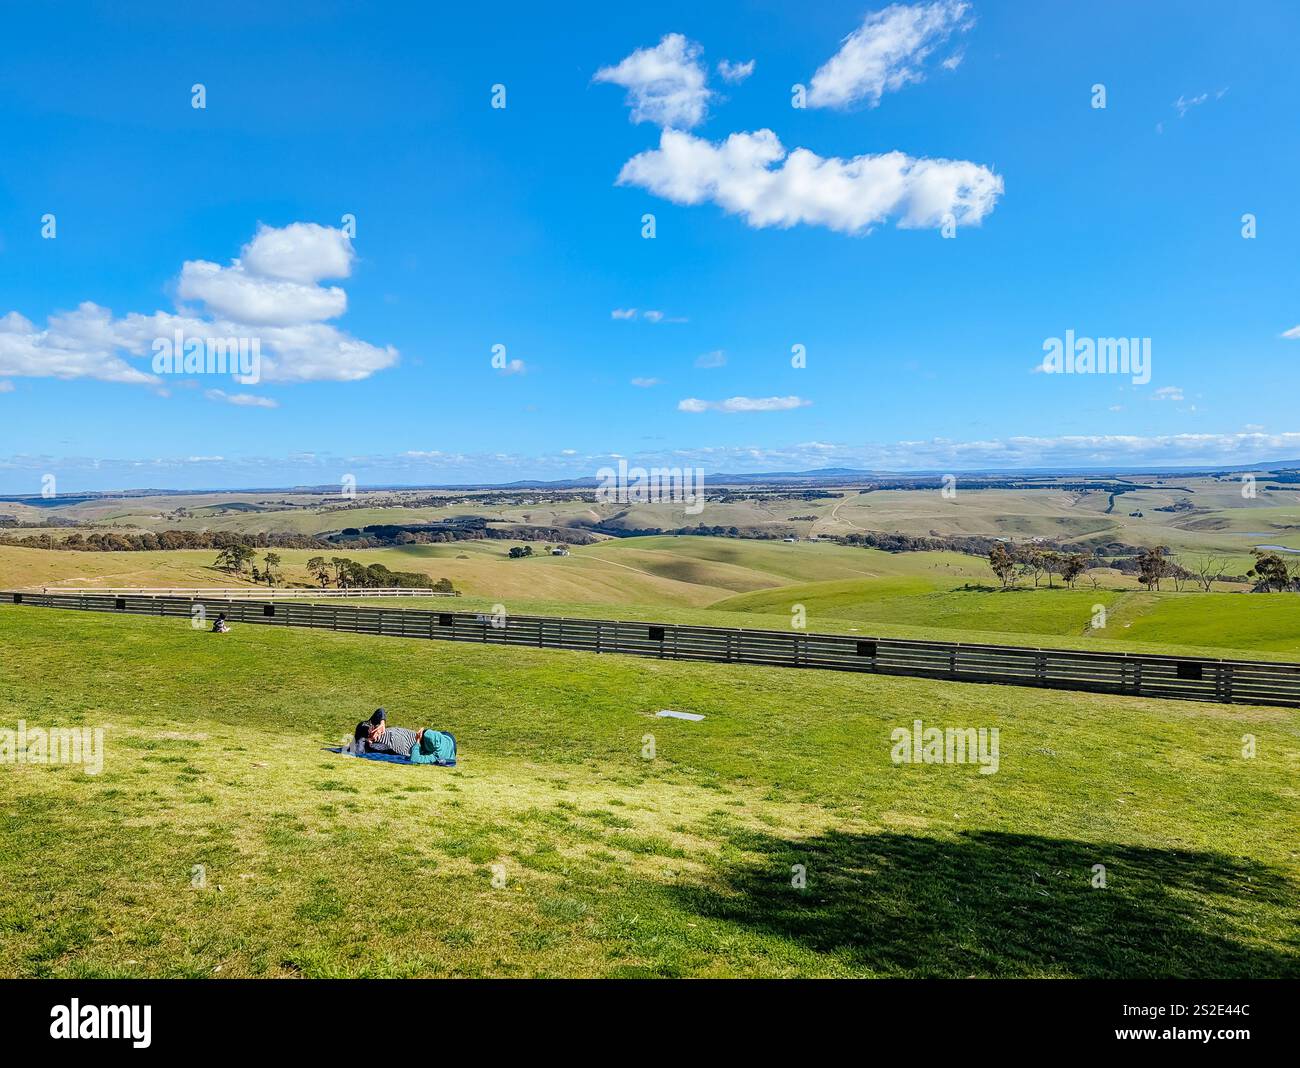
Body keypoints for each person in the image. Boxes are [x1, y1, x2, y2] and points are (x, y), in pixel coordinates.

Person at [352, 708, 456, 765]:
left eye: (375, 728)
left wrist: (382, 723)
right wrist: (368, 745)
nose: (376, 731)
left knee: (432, 738)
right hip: (435, 739)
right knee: (432, 737)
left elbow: (381, 711)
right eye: (373, 732)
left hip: (435, 741)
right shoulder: (377, 744)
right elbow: (359, 750)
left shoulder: (433, 749)